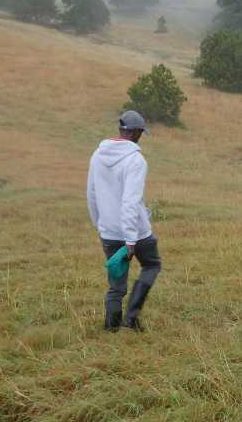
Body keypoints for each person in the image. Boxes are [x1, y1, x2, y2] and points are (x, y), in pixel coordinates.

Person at [87, 110, 162, 331]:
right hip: (136, 233)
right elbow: (130, 201)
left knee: (116, 282)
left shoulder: (97, 155)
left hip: (108, 232)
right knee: (152, 265)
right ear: (136, 132)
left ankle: (111, 327)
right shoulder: (136, 161)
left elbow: (91, 194)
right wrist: (130, 239)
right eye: (141, 133)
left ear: (121, 130)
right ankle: (131, 317)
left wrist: (100, 225)